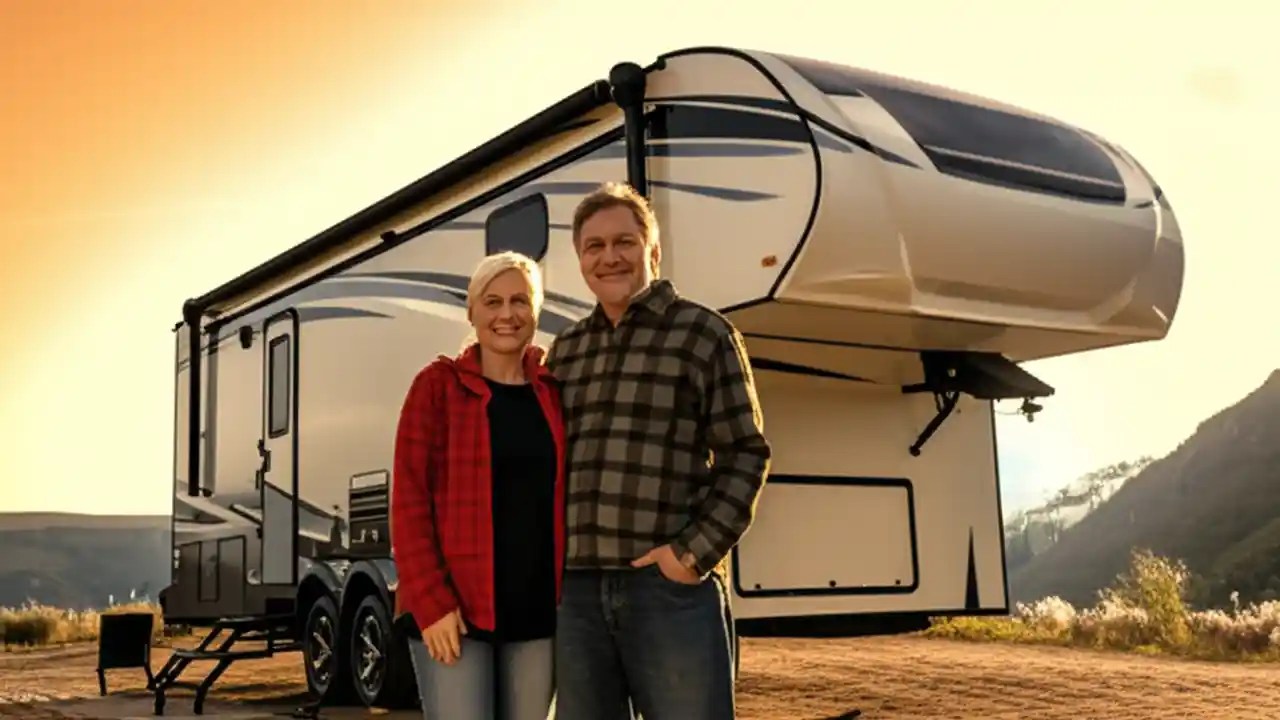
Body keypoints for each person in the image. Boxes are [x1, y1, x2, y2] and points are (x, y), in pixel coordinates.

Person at [546, 181, 772, 720]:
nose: (609, 257)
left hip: (666, 592)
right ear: (580, 260)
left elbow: (746, 453)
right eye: (593, 246)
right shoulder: (566, 350)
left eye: (624, 241)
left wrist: (691, 555)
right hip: (575, 594)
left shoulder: (703, 333)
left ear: (653, 250)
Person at [389, 251, 566, 720]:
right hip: (456, 613)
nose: (506, 314)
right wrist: (430, 603)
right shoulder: (437, 387)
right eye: (492, 302)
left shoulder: (554, 392)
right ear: (472, 312)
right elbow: (408, 503)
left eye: (519, 301)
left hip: (536, 613)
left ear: (536, 311)